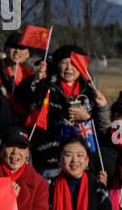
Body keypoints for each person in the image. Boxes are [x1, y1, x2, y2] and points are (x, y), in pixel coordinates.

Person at [14, 44, 111, 178]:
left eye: (74, 63)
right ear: (57, 65)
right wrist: (35, 81)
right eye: (64, 63)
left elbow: (103, 128)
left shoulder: (91, 91)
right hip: (51, 158)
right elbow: (23, 100)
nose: (69, 68)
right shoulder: (46, 86)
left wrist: (89, 116)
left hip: (84, 161)